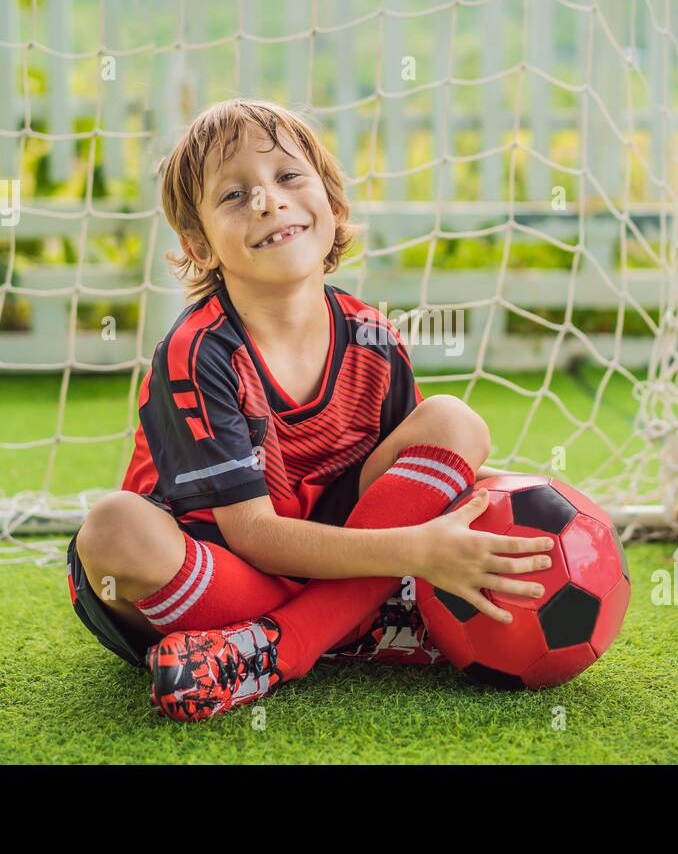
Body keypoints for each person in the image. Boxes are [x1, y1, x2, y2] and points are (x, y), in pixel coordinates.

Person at [66, 98, 553, 721]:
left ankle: (264, 650)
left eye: (288, 176)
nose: (268, 200)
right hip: (222, 567)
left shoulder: (372, 335)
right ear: (200, 246)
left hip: (334, 554)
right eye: (234, 196)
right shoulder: (199, 353)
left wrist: (522, 492)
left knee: (456, 422)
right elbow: (255, 536)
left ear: (334, 203)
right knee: (111, 530)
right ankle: (347, 627)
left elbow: (408, 481)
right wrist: (415, 554)